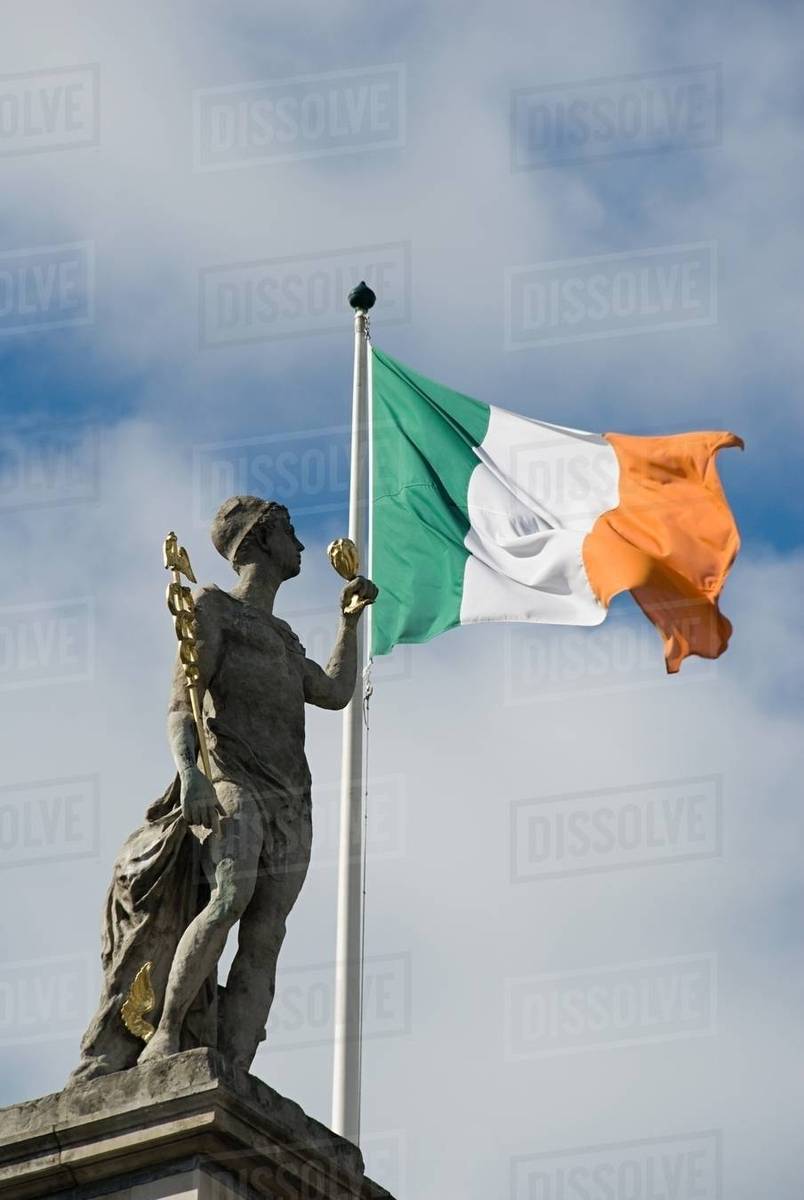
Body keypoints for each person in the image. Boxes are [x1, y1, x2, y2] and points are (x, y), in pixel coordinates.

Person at [69, 496, 377, 1082]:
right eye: (289, 531)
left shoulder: (283, 638)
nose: (303, 545)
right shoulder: (212, 609)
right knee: (231, 896)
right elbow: (182, 704)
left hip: (292, 796)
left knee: (267, 932)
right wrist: (190, 773)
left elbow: (335, 691)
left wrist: (349, 619)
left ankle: (232, 1068)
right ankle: (164, 1036)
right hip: (231, 776)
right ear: (258, 541)